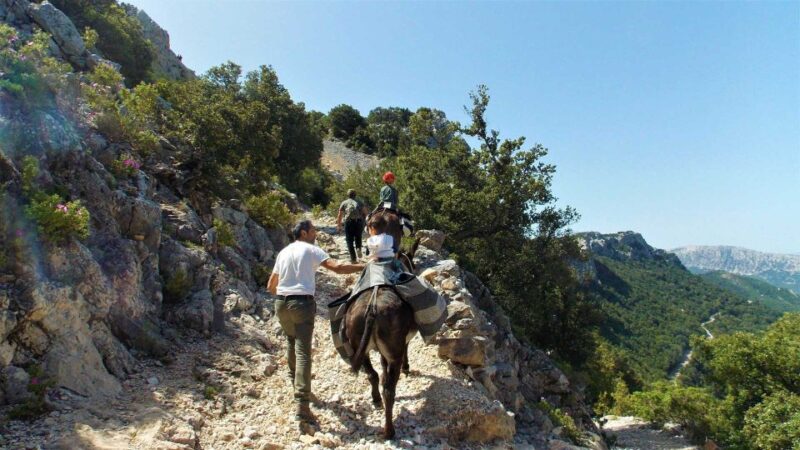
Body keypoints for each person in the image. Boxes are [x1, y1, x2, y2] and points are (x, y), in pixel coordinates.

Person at [267, 220, 364, 425]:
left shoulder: (283, 252)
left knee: (291, 342)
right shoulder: (311, 250)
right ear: (304, 232)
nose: (316, 234)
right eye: (313, 230)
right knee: (303, 351)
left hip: (281, 303)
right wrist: (365, 265)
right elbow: (337, 268)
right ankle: (302, 404)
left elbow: (270, 285)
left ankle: (295, 384)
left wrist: (285, 295)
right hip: (301, 303)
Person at [336, 189, 367, 263]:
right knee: (358, 237)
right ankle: (358, 248)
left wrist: (339, 225)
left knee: (349, 241)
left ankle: (353, 259)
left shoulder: (344, 202)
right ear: (355, 195)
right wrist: (364, 220)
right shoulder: (359, 202)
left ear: (348, 195)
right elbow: (365, 212)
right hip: (358, 222)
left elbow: (340, 215)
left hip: (349, 223)